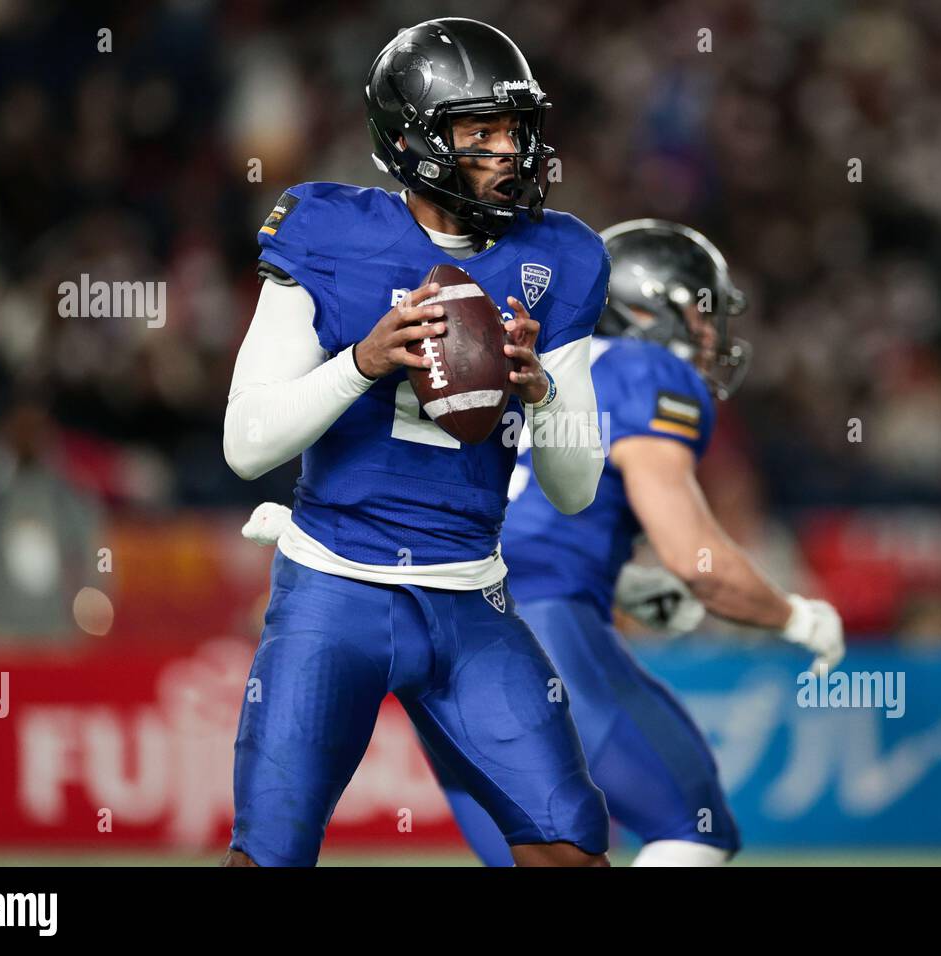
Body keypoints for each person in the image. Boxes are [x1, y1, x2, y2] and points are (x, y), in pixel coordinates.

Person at [243, 220, 846, 866]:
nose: (711, 336)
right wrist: (797, 616)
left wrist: (626, 584)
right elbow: (690, 552)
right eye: (702, 315)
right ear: (651, 309)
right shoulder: (644, 370)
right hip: (528, 633)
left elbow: (520, 511)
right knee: (694, 826)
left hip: (457, 613)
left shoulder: (542, 359)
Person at [220, 18, 613, 867]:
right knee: (269, 858)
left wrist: (543, 393)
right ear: (413, 142)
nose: (511, 150)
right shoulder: (328, 230)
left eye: (516, 128)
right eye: (483, 131)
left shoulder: (564, 256)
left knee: (570, 851)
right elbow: (246, 445)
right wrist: (362, 363)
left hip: (471, 598)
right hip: (334, 592)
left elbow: (575, 486)